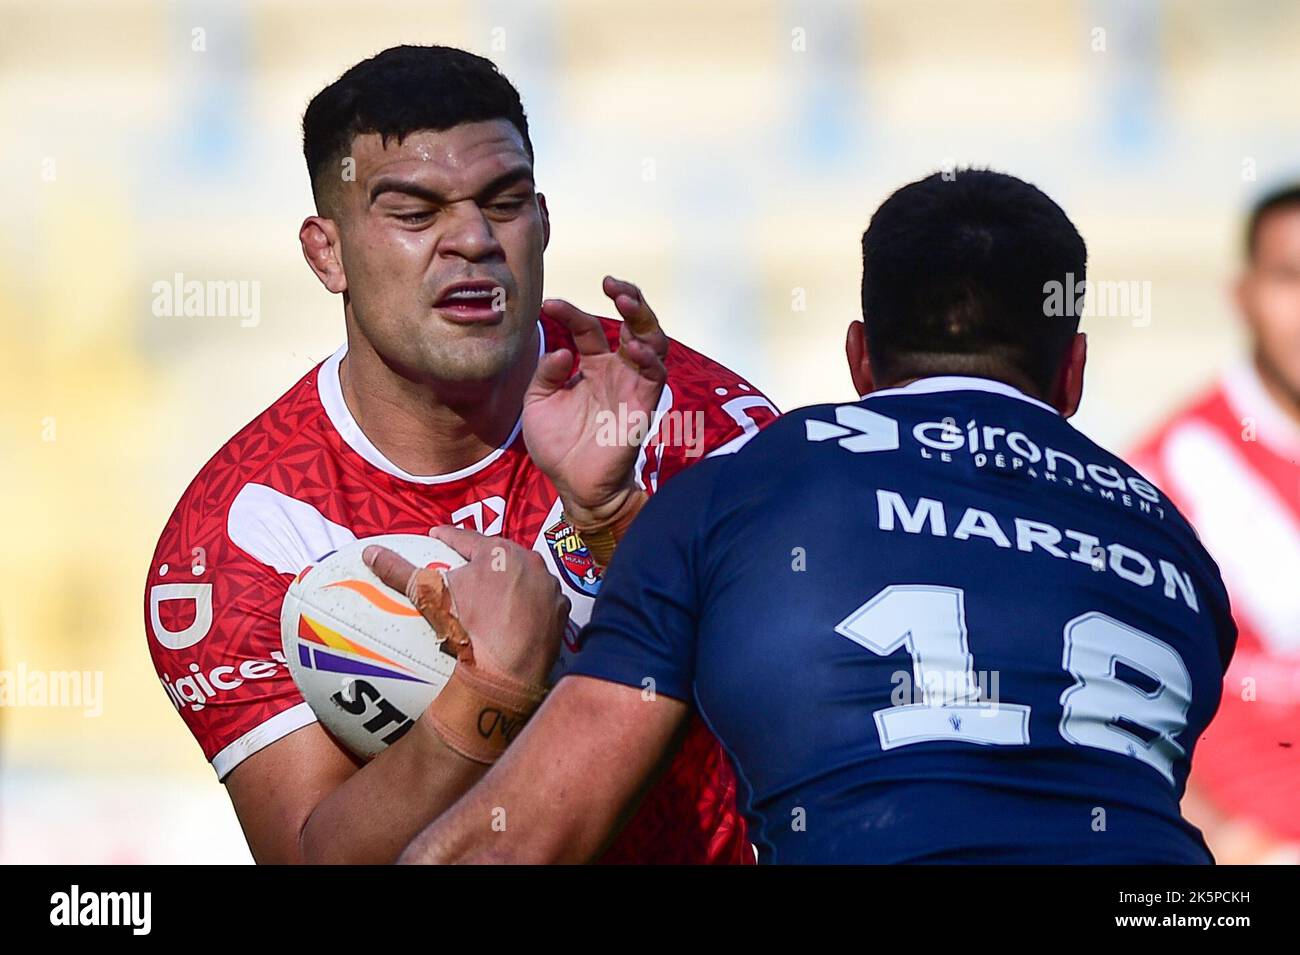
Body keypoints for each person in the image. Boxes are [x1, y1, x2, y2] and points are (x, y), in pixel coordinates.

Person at [391, 169, 1238, 864]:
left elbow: (518, 841)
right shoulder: (1174, 536)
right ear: (1073, 375)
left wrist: (500, 666)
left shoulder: (748, 482)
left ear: (860, 356)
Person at [143, 45, 776, 864]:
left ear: (543, 222)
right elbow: (313, 854)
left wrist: (612, 525)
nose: (473, 238)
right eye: (415, 212)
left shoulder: (694, 418)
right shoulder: (238, 537)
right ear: (326, 252)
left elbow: (800, 712)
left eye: (504, 203)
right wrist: (489, 692)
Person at [1131, 184, 1300, 864]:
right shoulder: (1163, 481)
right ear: (1245, 295)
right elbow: (1106, 702)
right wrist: (1225, 843)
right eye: (1291, 278)